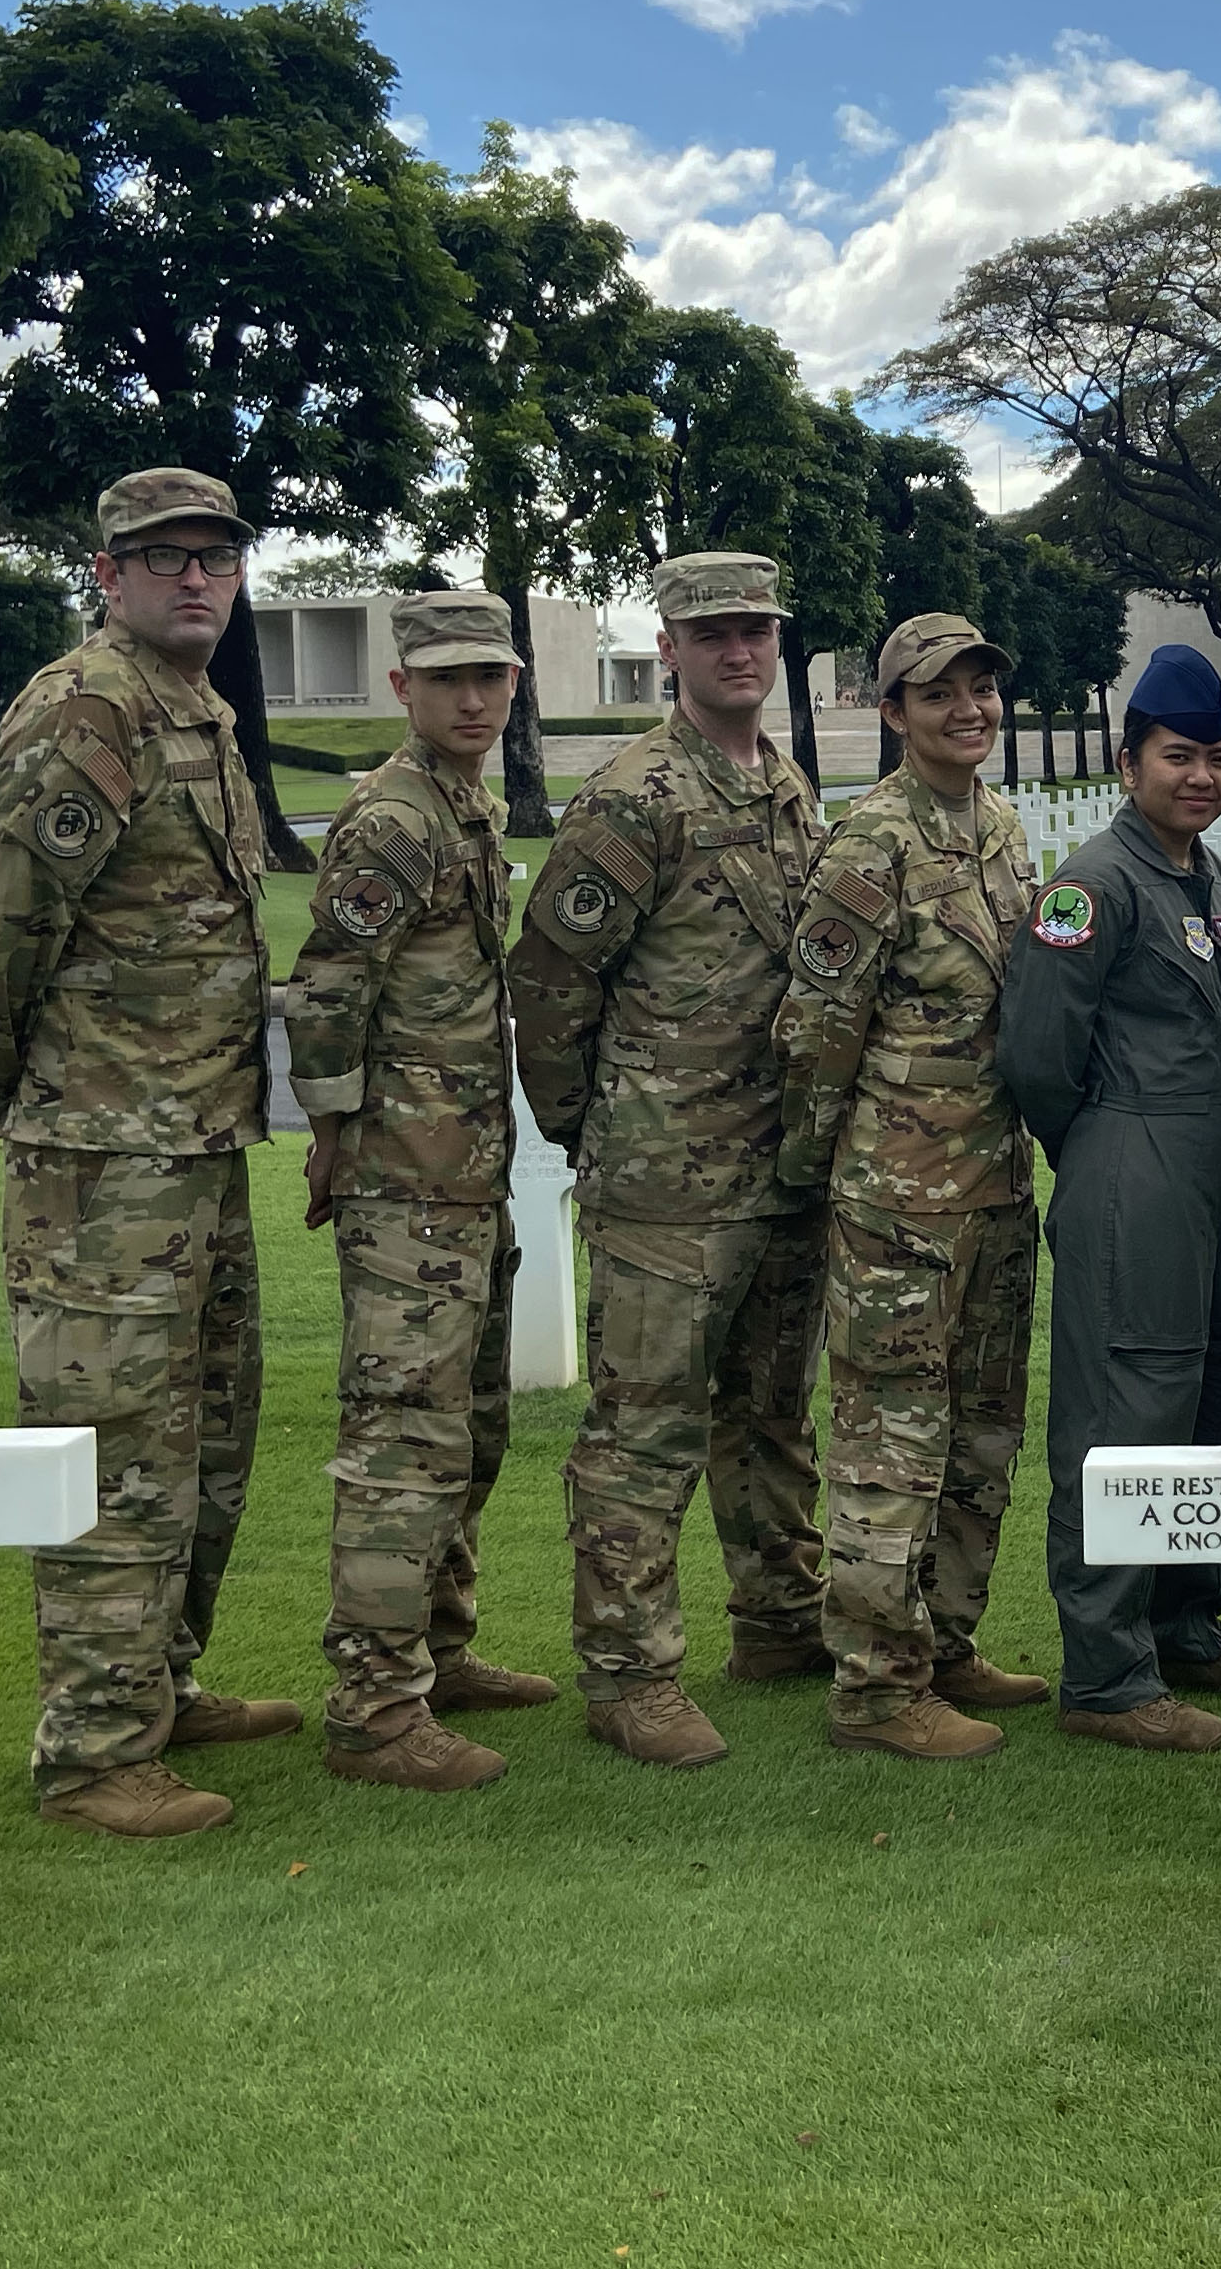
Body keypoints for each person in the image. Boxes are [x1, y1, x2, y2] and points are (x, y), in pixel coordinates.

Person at [0, 466, 288, 1838]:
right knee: (112, 1447)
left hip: (194, 1144)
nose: (193, 577)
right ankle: (93, 1750)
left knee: (204, 1433)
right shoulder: (89, 708)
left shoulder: (192, 707)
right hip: (103, 1154)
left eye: (214, 555)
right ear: (107, 574)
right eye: (162, 559)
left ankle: (161, 1684)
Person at [510, 551, 828, 1772]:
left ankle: (778, 1620)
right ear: (673, 647)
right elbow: (549, 978)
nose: (738, 650)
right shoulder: (632, 797)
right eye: (713, 635)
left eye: (755, 628)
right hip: (663, 1174)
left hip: (778, 1162)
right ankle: (630, 1673)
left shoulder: (787, 787)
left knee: (769, 1411)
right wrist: (590, 1128)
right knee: (643, 1429)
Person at [286, 588, 561, 1796]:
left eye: (490, 678)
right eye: (447, 679)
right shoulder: (396, 819)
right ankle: (374, 1706)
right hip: (406, 1182)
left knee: (468, 1427)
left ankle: (436, 1653)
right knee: (403, 1440)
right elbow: (329, 983)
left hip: (464, 1175)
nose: (472, 698)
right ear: (402, 687)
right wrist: (336, 1129)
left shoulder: (465, 802)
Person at [778, 613, 1049, 1762]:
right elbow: (817, 1027)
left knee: (983, 1428)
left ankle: (945, 1642)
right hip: (898, 1194)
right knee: (893, 1436)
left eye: (981, 689)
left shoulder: (999, 826)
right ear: (892, 713)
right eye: (939, 694)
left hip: (994, 1184)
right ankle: (874, 1684)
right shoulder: (868, 844)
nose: (968, 710)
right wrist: (818, 1169)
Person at [1002, 646, 1221, 1754]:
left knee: (1208, 1398)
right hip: (1130, 1164)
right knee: (1124, 1413)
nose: (1199, 776)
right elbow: (1037, 1059)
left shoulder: (1207, 874)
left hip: (1206, 1172)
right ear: (1127, 761)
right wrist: (1104, 1150)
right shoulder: (1091, 885)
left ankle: (1183, 1621)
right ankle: (1105, 1673)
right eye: (1176, 756)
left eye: (1216, 756)